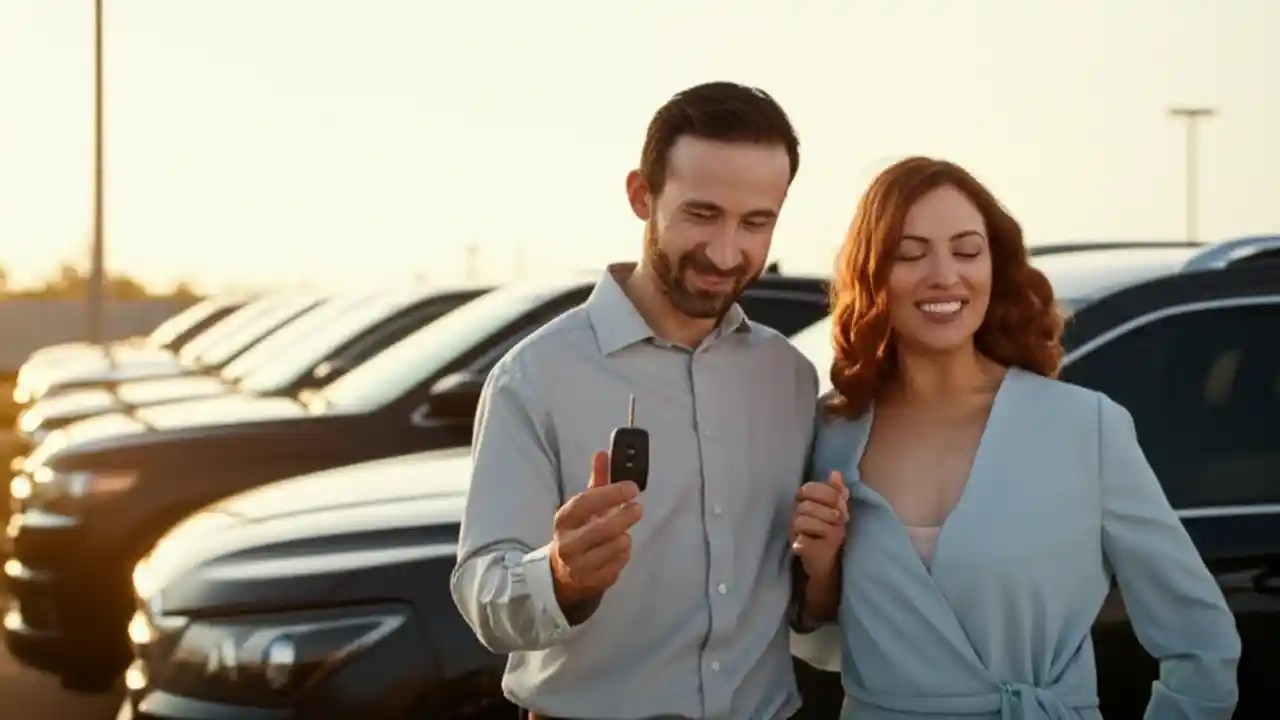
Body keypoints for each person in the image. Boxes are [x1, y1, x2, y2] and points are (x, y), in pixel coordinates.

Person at [790, 156, 1242, 719]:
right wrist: (822, 570)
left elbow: (1200, 641)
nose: (944, 275)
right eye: (909, 253)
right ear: (872, 273)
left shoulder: (1083, 427)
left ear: (995, 267)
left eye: (966, 251)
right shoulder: (831, 432)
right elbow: (824, 636)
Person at [450, 81, 828, 720]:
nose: (727, 251)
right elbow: (482, 593)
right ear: (640, 195)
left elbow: (793, 597)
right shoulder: (536, 376)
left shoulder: (788, 377)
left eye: (755, 222)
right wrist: (560, 577)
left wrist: (822, 564)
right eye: (702, 214)